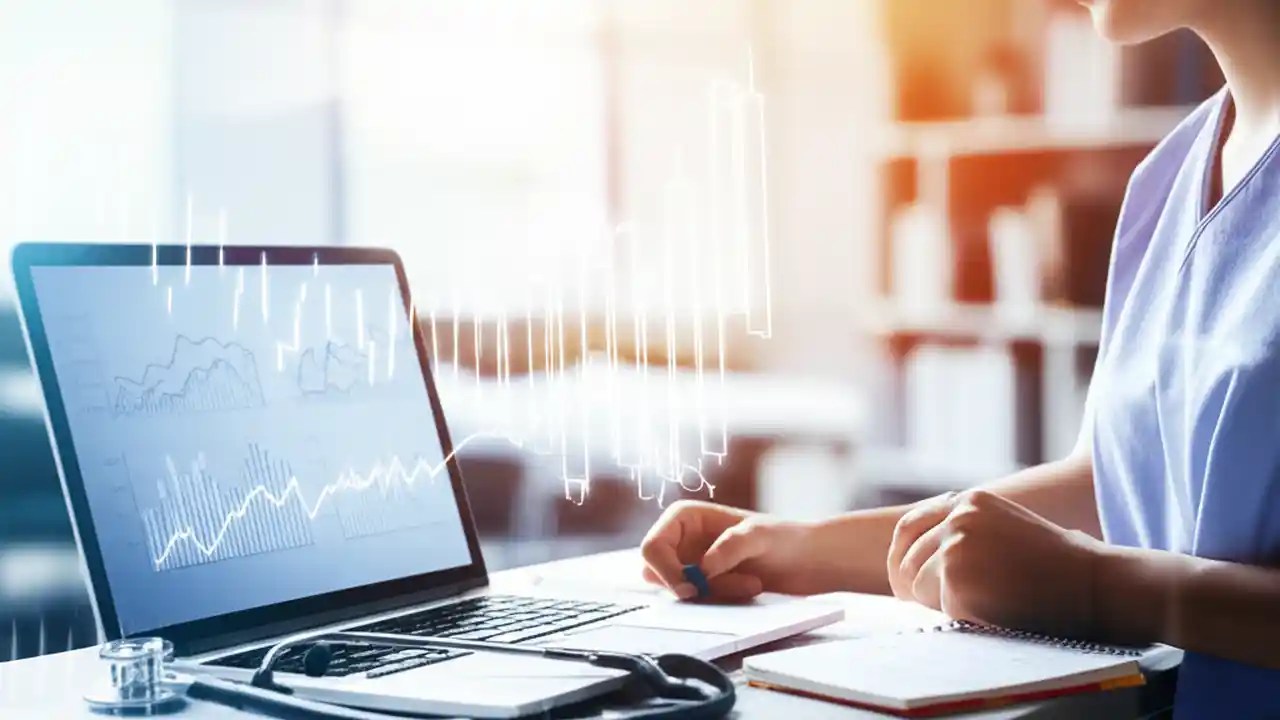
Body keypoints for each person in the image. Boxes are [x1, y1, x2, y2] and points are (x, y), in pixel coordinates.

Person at [639, 1, 1280, 715]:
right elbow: (1120, 481)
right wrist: (801, 548)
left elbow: (1110, 545)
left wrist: (1098, 589)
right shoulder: (1167, 178)